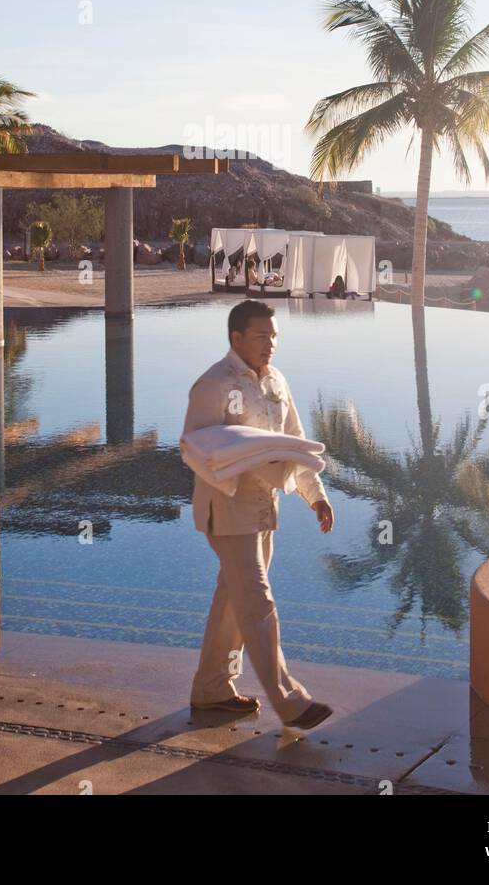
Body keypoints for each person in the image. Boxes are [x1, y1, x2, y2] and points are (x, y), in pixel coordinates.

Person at [182, 299, 336, 730]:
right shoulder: (213, 384)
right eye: (261, 336)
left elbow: (295, 442)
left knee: (233, 600)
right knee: (257, 600)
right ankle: (290, 700)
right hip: (228, 508)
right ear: (236, 338)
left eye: (274, 336)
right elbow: (191, 445)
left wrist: (315, 495)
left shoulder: (277, 381)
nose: (271, 344)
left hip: (265, 508)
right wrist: (233, 461)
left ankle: (212, 689)